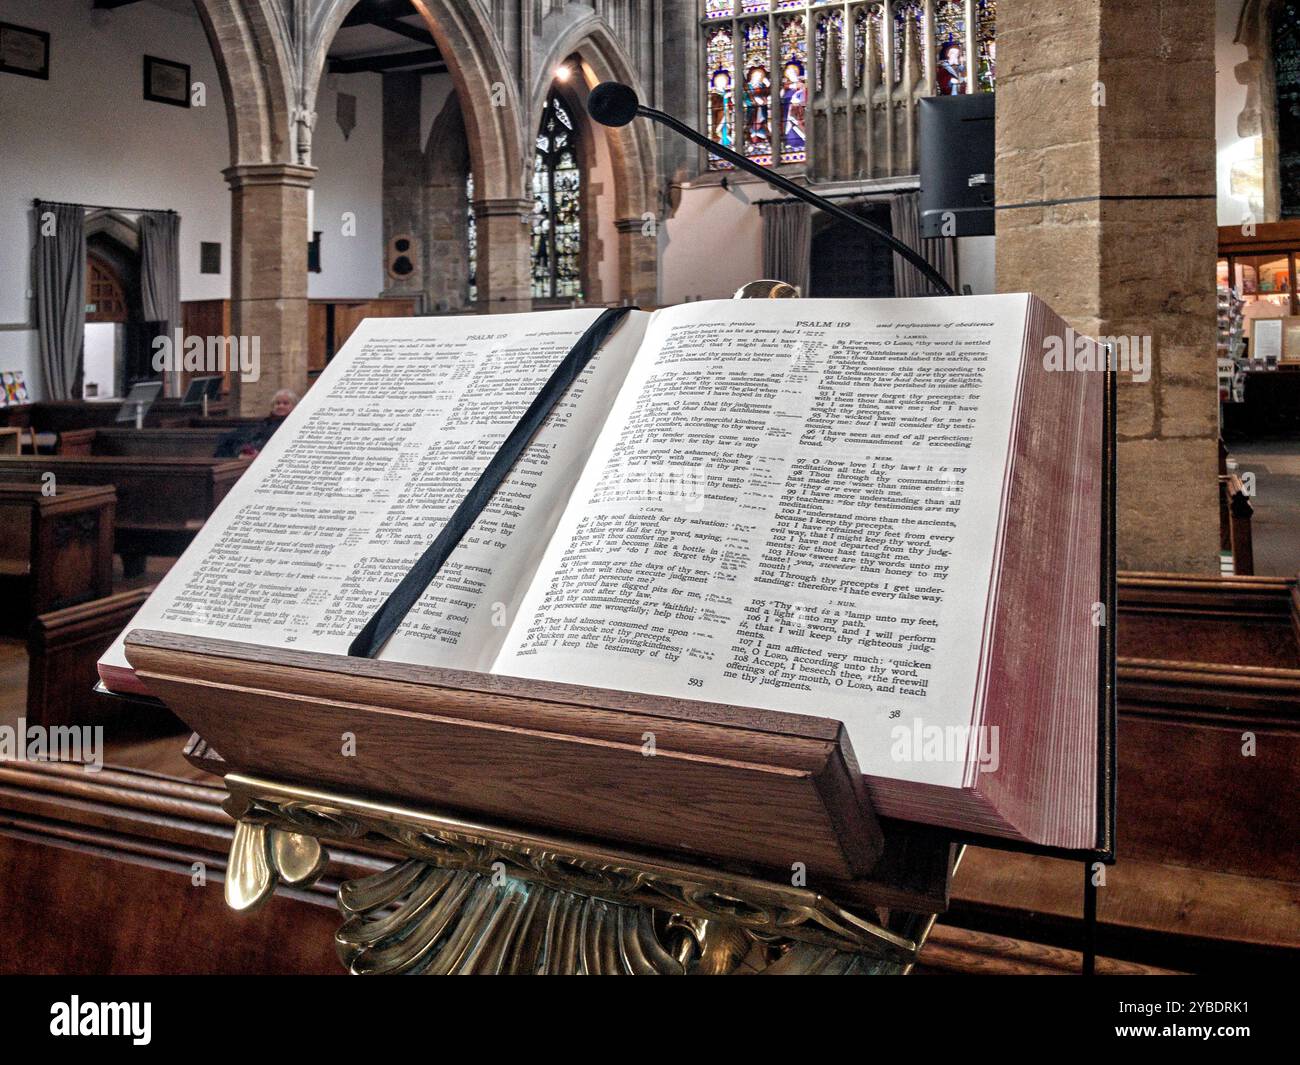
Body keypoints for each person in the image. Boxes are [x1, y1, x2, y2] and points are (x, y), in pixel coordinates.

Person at [213, 389, 298, 458]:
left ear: (294, 406)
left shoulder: (294, 425)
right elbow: (251, 438)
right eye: (278, 403)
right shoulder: (265, 423)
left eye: (285, 403)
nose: (280, 406)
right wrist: (240, 453)